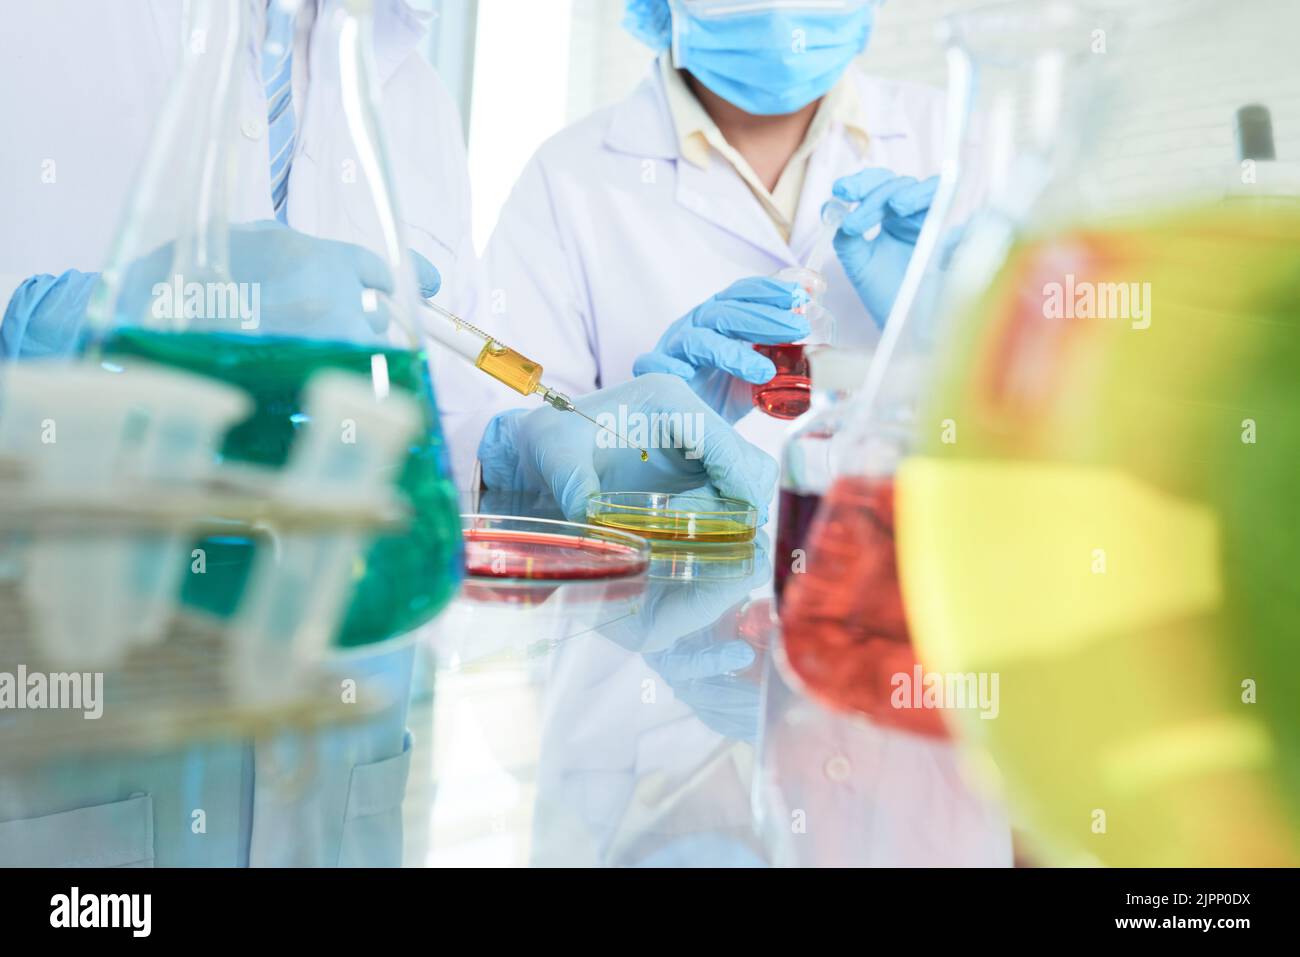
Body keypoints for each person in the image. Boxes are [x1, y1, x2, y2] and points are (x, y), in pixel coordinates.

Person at [0, 0, 775, 867]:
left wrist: (507, 452)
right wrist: (50, 337)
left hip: (340, 797)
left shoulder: (411, 90)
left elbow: (421, 419)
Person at [481, 0, 943, 455]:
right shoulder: (566, 176)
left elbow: (1007, 441)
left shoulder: (957, 140)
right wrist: (630, 448)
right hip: (660, 533)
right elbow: (512, 452)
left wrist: (950, 342)